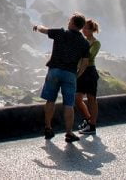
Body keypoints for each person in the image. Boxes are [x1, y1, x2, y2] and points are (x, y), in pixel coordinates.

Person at [32, 13, 91, 143]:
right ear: (81, 27)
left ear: (71, 23)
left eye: (69, 20)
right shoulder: (84, 43)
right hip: (70, 73)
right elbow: (85, 62)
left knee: (50, 100)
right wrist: (77, 74)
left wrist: (37, 26)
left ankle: (48, 128)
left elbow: (44, 30)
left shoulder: (61, 32)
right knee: (69, 104)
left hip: (54, 70)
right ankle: (69, 133)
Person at [75, 19, 101, 135]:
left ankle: (92, 125)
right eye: (83, 28)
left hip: (90, 71)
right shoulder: (82, 40)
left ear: (92, 30)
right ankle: (88, 119)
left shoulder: (96, 43)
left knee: (91, 99)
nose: (84, 30)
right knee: (77, 99)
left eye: (86, 28)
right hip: (81, 71)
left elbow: (89, 56)